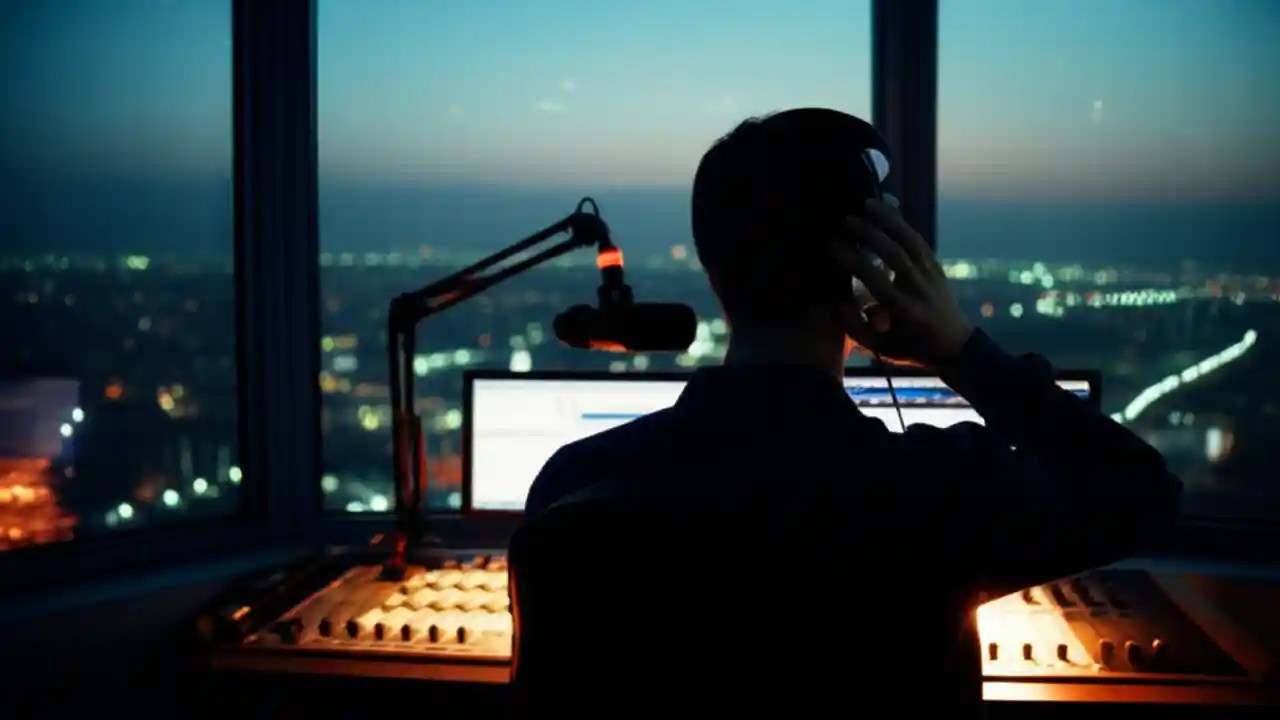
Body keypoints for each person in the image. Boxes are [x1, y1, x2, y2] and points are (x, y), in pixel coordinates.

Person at [517, 108, 1182, 711]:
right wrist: (959, 350)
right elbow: (1143, 492)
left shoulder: (574, 483)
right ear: (867, 266)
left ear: (711, 264)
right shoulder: (945, 491)